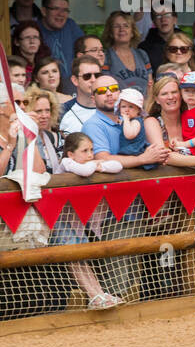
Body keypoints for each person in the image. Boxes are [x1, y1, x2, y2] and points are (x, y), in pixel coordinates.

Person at [52, 132, 124, 310]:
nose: (90, 155)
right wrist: (97, 165)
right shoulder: (66, 162)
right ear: (71, 154)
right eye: (84, 151)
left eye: (92, 150)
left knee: (82, 257)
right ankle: (94, 295)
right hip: (58, 220)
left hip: (76, 221)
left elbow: (117, 165)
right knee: (75, 257)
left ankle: (98, 293)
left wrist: (96, 165)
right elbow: (84, 171)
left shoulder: (86, 162)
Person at [82, 73, 170, 170]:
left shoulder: (130, 119)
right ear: (93, 99)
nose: (109, 93)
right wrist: (142, 159)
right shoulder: (92, 125)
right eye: (101, 91)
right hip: (113, 183)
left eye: (114, 88)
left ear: (120, 93)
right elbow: (103, 159)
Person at [143, 75, 195, 172]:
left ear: (181, 95)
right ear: (157, 99)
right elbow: (164, 156)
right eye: (164, 94)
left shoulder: (194, 117)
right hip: (166, 182)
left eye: (174, 92)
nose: (170, 97)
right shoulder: (152, 122)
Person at [37, 0, 85, 79]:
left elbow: (85, 50)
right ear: (44, 11)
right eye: (56, 9)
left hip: (72, 83)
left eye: (65, 10)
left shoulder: (71, 26)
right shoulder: (34, 30)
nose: (61, 14)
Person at [102, 11, 152, 95]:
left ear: (132, 32)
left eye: (126, 26)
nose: (122, 29)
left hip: (145, 106)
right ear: (110, 32)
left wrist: (148, 105)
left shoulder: (142, 55)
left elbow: (151, 84)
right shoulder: (106, 57)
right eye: (117, 26)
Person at [22, 88, 62, 170]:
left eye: (47, 110)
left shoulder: (49, 136)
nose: (44, 116)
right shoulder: (22, 138)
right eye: (38, 111)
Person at [138, 6, 179, 70]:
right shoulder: (144, 49)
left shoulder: (186, 44)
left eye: (167, 15)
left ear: (175, 19)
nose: (163, 19)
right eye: (158, 16)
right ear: (154, 22)